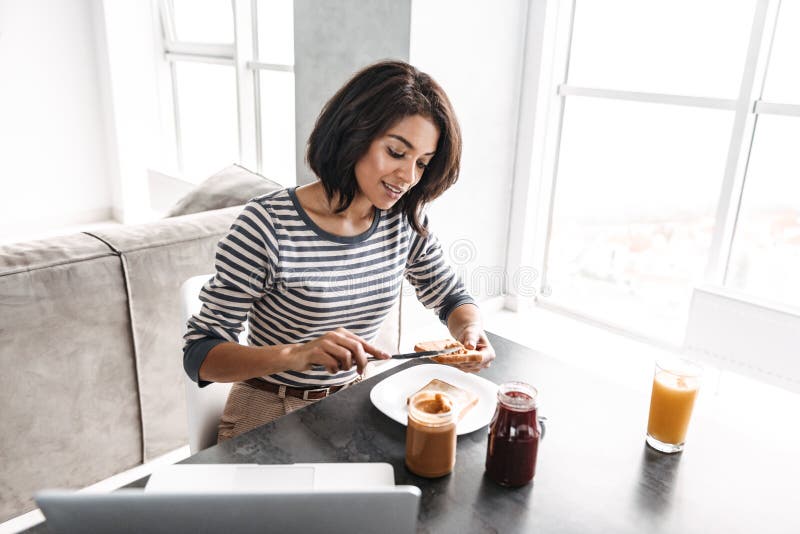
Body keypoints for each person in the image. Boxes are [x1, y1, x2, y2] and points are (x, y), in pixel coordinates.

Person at [183, 59, 496, 442]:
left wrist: (470, 330)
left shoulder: (403, 222)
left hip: (355, 408)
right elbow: (200, 355)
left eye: (422, 164)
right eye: (397, 153)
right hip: (268, 414)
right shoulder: (266, 226)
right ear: (354, 134)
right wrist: (297, 354)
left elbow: (449, 295)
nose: (409, 177)